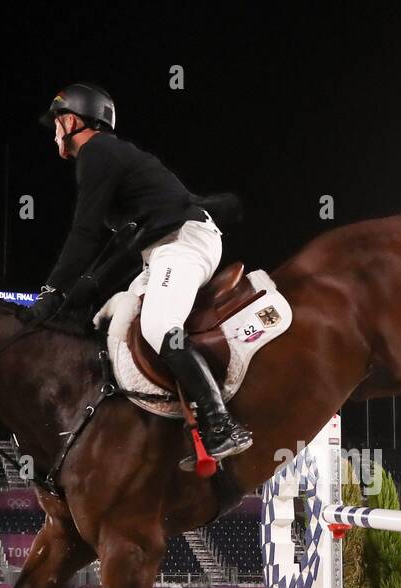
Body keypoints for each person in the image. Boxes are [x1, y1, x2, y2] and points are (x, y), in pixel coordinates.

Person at [33, 83, 253, 469]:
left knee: (158, 326)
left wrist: (52, 291)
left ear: (70, 120)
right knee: (114, 319)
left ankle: (221, 424)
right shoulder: (107, 156)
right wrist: (83, 290)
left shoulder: (97, 151)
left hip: (184, 241)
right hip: (161, 250)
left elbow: (84, 234)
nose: (53, 132)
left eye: (56, 123)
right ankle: (154, 428)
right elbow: (122, 245)